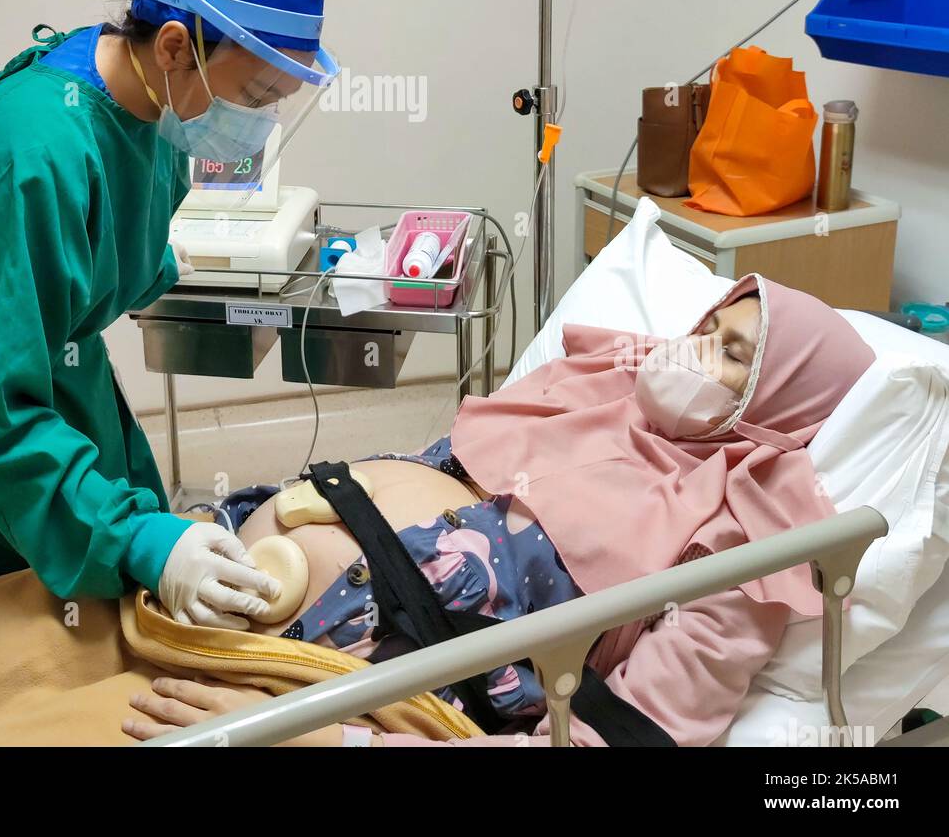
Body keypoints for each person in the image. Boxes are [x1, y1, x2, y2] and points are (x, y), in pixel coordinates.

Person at [123, 274, 875, 746]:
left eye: (733, 353)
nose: (692, 350)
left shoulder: (742, 544)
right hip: (213, 582)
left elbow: (625, 738)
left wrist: (332, 744)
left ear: (782, 401)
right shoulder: (585, 396)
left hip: (338, 692)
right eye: (704, 330)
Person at [0, 0, 338, 629]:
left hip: (44, 374)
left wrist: (156, 260)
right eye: (256, 97)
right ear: (176, 43)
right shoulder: (31, 154)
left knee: (95, 608)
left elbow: (99, 236)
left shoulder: (150, 97)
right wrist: (139, 541)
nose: (256, 122)